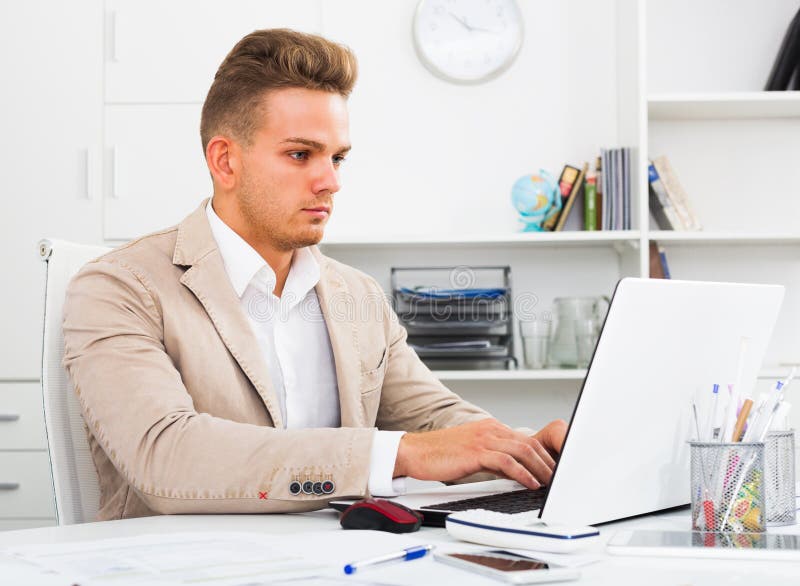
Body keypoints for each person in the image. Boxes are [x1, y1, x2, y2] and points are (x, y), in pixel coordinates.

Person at [63, 28, 567, 521]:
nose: (331, 182)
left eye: (338, 157)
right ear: (225, 161)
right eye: (300, 154)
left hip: (334, 561)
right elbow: (165, 455)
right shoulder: (120, 286)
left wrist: (525, 450)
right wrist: (398, 455)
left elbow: (435, 421)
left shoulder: (357, 295)